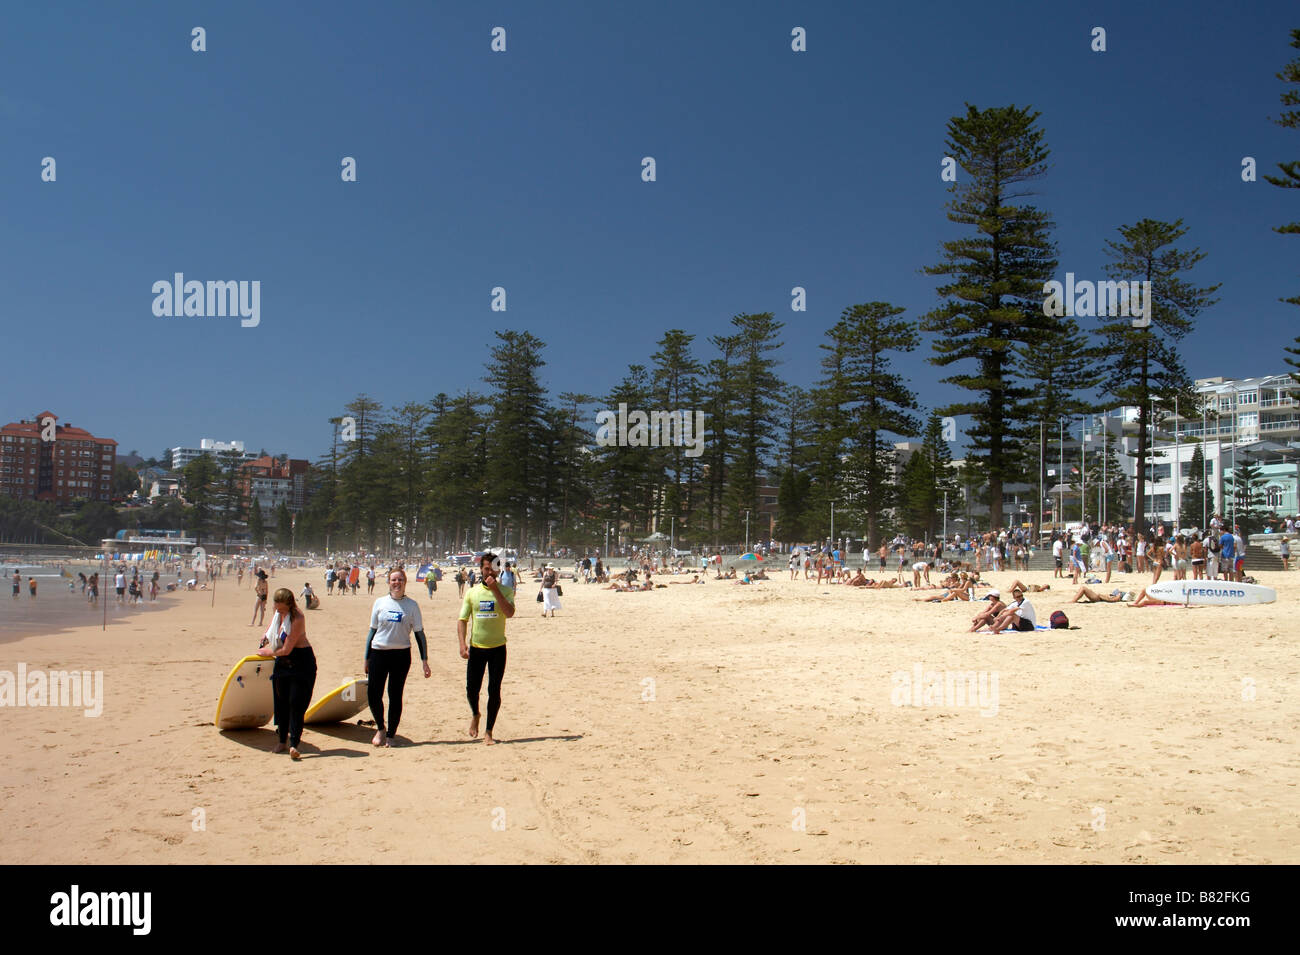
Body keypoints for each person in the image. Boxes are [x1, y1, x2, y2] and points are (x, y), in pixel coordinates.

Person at [364, 568, 431, 747]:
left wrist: (424, 660)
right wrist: (366, 657)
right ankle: (380, 728)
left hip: (401, 655)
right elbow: (372, 631)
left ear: (405, 582)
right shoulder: (380, 603)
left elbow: (419, 634)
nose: (397, 583)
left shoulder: (412, 606)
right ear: (388, 582)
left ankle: (391, 735)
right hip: (378, 652)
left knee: (395, 694)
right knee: (373, 694)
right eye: (393, 580)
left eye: (400, 579)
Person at [458, 552, 516, 745]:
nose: (489, 572)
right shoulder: (472, 592)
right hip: (476, 648)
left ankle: (489, 731)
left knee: (494, 690)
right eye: (486, 569)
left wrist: (495, 589)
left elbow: (509, 613)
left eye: (492, 569)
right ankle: (475, 714)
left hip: (498, 648)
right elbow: (463, 620)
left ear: (498, 570)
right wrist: (462, 644)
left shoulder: (506, 591)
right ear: (481, 569)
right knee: (471, 689)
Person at [256, 589, 317, 759]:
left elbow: (286, 649)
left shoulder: (297, 618)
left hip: (301, 662)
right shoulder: (278, 613)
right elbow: (273, 624)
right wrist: (265, 636)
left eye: (282, 610)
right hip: (282, 663)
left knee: (296, 703)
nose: (279, 612)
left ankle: (294, 744)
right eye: (277, 609)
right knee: (281, 702)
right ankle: (282, 740)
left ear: (290, 605)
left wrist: (267, 653)